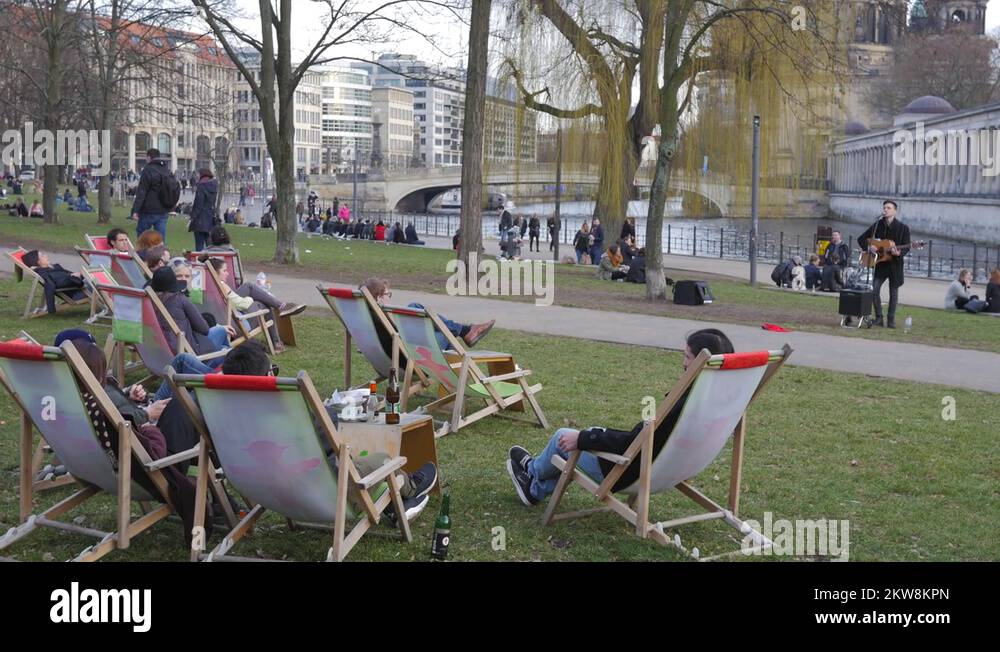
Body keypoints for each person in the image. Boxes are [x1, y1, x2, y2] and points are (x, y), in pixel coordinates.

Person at [506, 329, 735, 505]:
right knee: (592, 431)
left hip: (629, 471)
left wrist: (584, 438)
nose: (683, 363)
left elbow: (633, 444)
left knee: (562, 438)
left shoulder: (681, 404)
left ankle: (533, 480)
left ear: (700, 362)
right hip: (673, 470)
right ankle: (534, 474)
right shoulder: (720, 402)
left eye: (687, 357)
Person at [219, 342, 439, 523]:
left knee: (337, 457)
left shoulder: (221, 414)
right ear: (267, 376)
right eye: (274, 371)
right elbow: (332, 431)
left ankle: (392, 504)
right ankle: (409, 487)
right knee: (381, 460)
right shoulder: (290, 411)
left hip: (265, 488)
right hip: (317, 492)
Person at [66, 337, 209, 549]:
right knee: (184, 404)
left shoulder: (71, 403)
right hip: (154, 470)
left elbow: (117, 423)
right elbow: (154, 450)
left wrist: (134, 404)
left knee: (181, 382)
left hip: (107, 467)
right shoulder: (100, 408)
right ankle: (228, 388)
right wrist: (148, 422)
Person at [361, 277, 494, 352]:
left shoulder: (365, 315)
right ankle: (465, 332)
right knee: (445, 334)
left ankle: (465, 332)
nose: (389, 298)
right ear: (378, 298)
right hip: (409, 356)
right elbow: (400, 335)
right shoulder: (382, 317)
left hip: (390, 355)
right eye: (387, 295)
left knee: (414, 307)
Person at [150, 267, 232, 362]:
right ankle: (225, 362)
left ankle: (224, 356)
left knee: (221, 346)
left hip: (160, 355)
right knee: (220, 331)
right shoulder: (180, 299)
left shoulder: (149, 302)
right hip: (186, 355)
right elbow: (204, 329)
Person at [858, 199, 910, 328]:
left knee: (893, 293)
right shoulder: (878, 225)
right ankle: (879, 318)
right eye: (884, 208)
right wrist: (869, 247)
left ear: (895, 211)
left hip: (895, 265)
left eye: (888, 208)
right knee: (874, 290)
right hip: (880, 264)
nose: (885, 210)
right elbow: (861, 239)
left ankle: (890, 320)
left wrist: (900, 253)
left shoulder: (903, 228)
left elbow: (907, 246)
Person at [131, 148, 174, 243]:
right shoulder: (166, 170)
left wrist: (135, 210)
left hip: (149, 209)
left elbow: (142, 192)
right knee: (161, 237)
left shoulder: (148, 170)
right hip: (163, 209)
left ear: (149, 157)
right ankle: (161, 254)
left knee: (142, 235)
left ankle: (142, 254)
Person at [21, 250, 86, 313]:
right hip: (79, 293)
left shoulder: (52, 268)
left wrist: (77, 275)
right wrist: (74, 277)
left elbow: (67, 275)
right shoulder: (45, 274)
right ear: (37, 261)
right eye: (42, 256)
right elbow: (50, 287)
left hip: (82, 286)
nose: (46, 256)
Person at [189, 168, 217, 251]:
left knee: (199, 245)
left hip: (200, 219)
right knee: (209, 245)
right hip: (210, 218)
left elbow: (198, 204)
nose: (196, 176)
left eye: (198, 174)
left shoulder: (201, 186)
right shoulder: (214, 186)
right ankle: (211, 261)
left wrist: (192, 217)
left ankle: (200, 261)